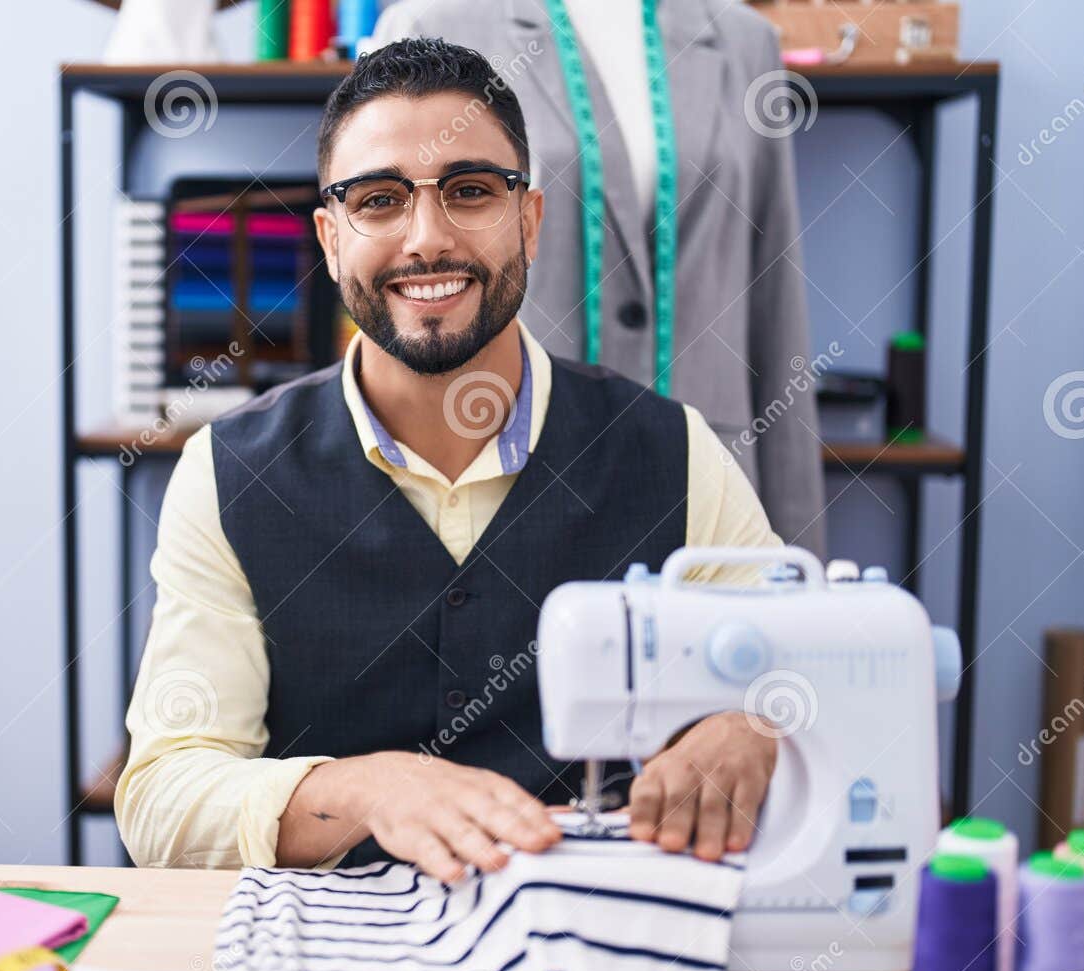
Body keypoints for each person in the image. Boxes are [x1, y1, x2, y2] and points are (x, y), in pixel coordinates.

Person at [116, 39, 780, 882]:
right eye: (379, 200)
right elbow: (163, 795)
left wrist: (756, 725)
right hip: (327, 970)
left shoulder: (675, 452)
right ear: (327, 237)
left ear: (530, 220)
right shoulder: (227, 473)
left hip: (592, 957)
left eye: (469, 192)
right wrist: (367, 790)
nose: (426, 240)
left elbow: (803, 671)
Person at [371, 0, 826, 556]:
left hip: (709, 486)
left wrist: (801, 553)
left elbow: (774, 291)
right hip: (505, 477)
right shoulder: (436, 25)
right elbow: (391, 271)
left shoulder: (742, 40)